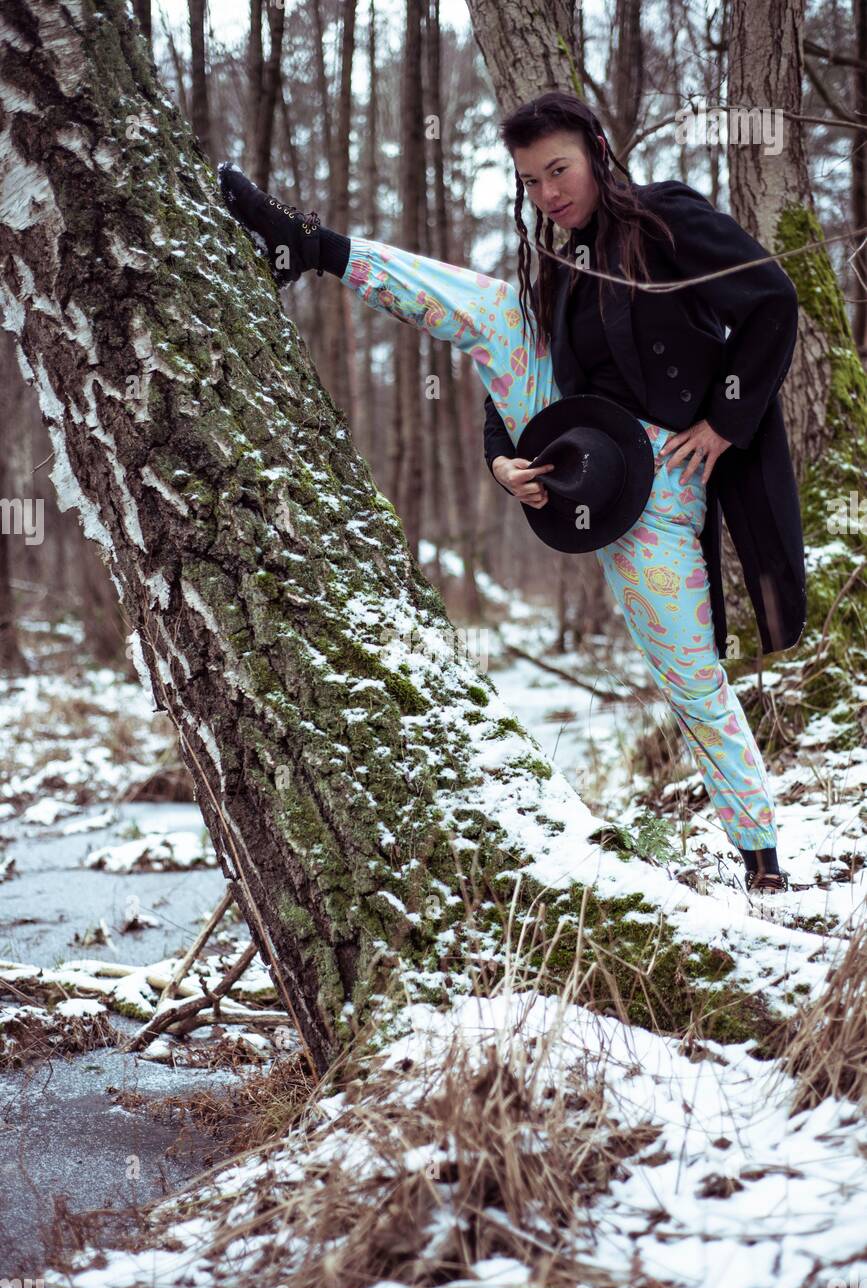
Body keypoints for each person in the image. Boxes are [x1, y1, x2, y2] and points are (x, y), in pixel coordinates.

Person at [217, 91, 805, 895]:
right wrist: (502, 463)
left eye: (558, 171)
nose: (547, 194)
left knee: (690, 679)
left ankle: (760, 860)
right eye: (529, 181)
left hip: (663, 487)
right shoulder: (557, 271)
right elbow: (515, 379)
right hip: (583, 456)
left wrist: (723, 424)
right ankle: (309, 246)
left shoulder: (664, 218)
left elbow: (771, 298)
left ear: (597, 151)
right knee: (494, 310)